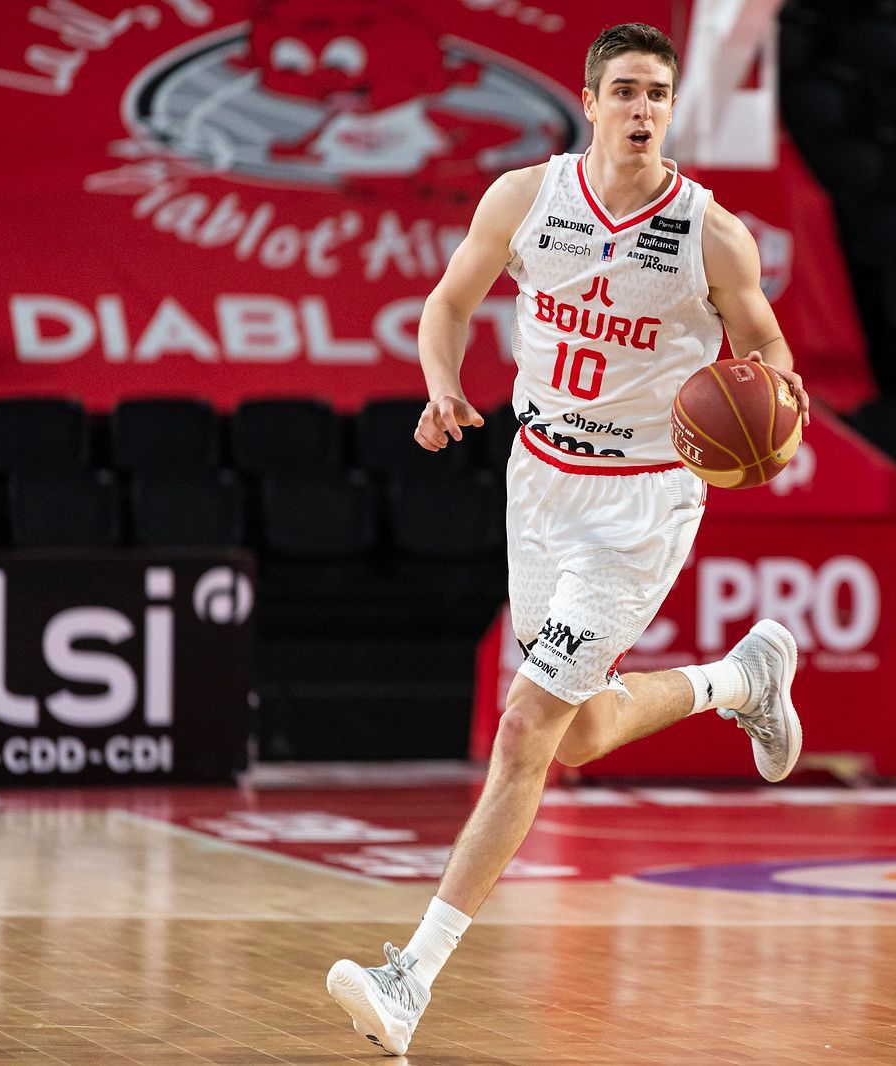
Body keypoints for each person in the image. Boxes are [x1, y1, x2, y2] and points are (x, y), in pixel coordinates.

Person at [324, 22, 811, 1056]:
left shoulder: (711, 233)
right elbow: (448, 305)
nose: (643, 110)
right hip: (538, 481)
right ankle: (741, 681)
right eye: (626, 90)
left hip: (641, 505)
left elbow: (766, 347)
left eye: (659, 94)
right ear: (588, 102)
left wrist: (779, 409)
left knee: (521, 730)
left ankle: (410, 976)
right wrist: (444, 384)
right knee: (574, 734)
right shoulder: (524, 198)